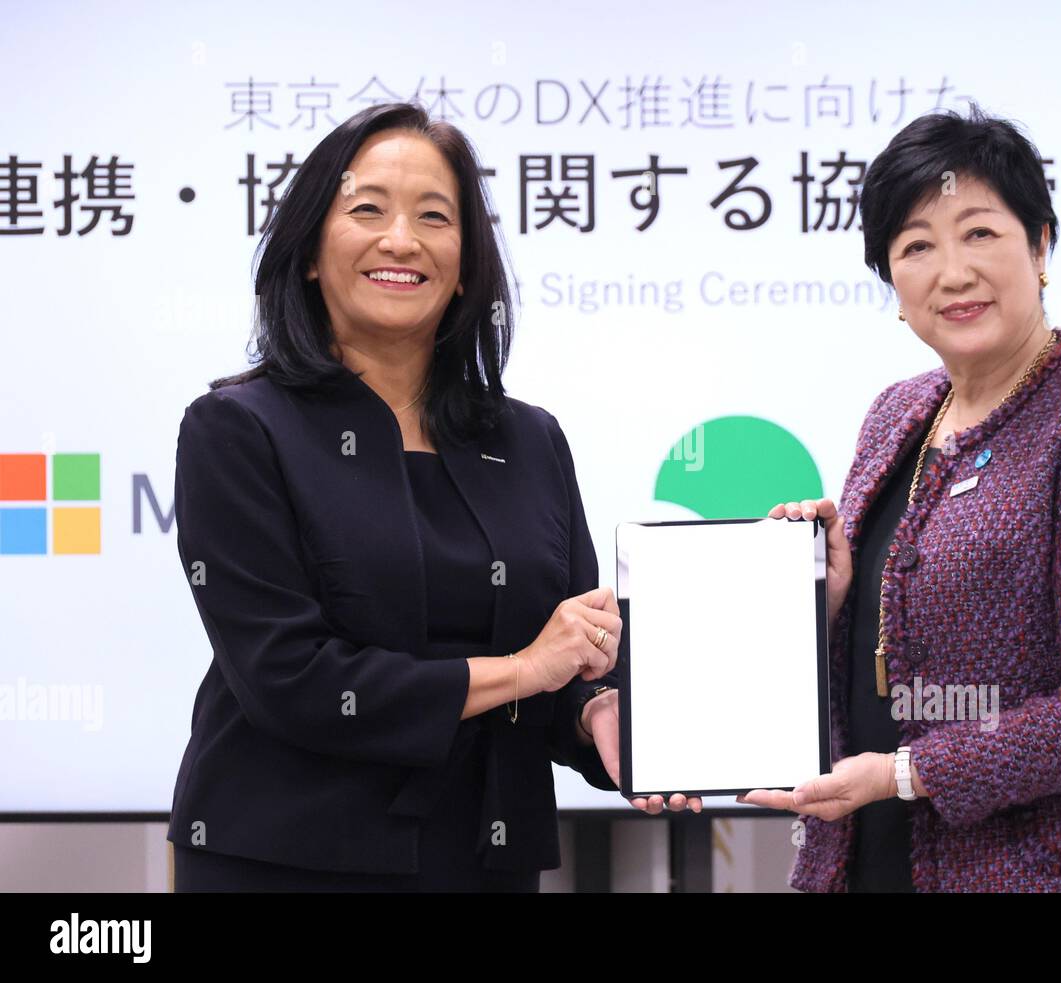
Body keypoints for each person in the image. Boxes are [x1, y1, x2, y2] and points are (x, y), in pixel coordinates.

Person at [168, 102, 696, 893]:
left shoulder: (529, 438)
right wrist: (523, 668)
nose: (401, 240)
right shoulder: (238, 429)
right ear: (309, 252)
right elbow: (290, 679)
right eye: (368, 210)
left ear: (465, 266)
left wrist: (598, 714)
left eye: (434, 216)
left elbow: (571, 652)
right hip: (288, 860)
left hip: (486, 858)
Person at [744, 103, 1061, 892]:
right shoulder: (896, 412)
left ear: (1040, 244)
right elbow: (886, 651)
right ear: (891, 280)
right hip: (866, 852)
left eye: (979, 232)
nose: (952, 272)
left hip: (1038, 869)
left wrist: (908, 772)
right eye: (916, 246)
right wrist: (831, 601)